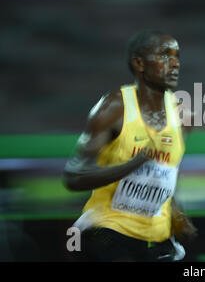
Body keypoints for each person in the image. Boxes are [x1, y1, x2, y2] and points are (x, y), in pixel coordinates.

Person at [63, 30, 196, 261]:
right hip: (107, 230)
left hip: (157, 236)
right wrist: (134, 163)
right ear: (139, 63)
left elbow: (167, 172)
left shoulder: (183, 115)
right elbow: (73, 178)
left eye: (177, 56)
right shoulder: (113, 108)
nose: (175, 63)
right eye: (165, 56)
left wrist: (176, 211)